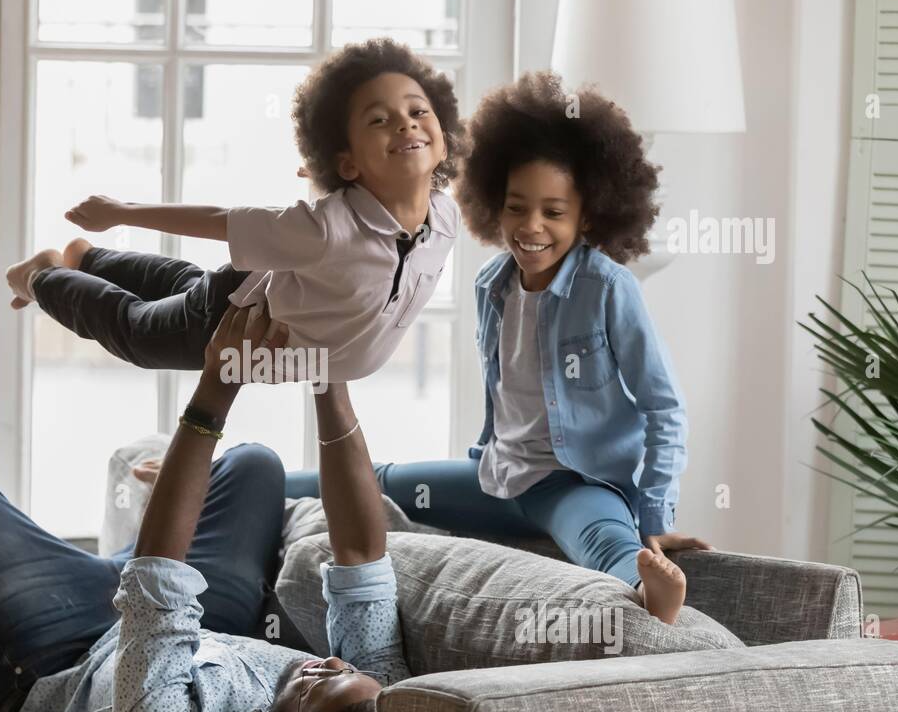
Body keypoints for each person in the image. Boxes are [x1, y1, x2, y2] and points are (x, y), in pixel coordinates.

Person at [0, 304, 411, 712]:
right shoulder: (370, 706)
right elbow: (361, 553)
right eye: (342, 668)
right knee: (256, 465)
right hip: (196, 616)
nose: (332, 662)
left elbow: (155, 581)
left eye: (320, 681)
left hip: (62, 652)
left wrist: (218, 380)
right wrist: (328, 378)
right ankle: (163, 513)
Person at [281, 71, 712, 626]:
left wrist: (654, 510)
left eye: (554, 212)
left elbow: (664, 407)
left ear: (590, 214)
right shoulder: (493, 283)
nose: (531, 227)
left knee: (605, 543)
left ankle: (651, 594)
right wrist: (338, 190)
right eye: (515, 207)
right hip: (498, 479)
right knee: (375, 477)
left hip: (575, 483)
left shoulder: (607, 287)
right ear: (492, 205)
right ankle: (237, 476)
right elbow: (397, 200)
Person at [3, 37, 465, 385]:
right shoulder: (327, 229)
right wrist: (122, 211)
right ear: (346, 160)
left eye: (419, 111)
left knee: (185, 286)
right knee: (138, 332)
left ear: (444, 136)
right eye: (379, 120)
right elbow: (217, 220)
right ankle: (42, 275)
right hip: (232, 322)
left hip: (253, 302)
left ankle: (87, 260)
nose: (406, 122)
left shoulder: (446, 219)